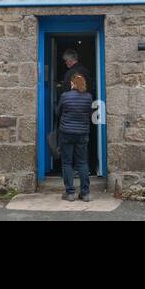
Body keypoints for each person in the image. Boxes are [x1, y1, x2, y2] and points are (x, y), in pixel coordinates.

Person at [57, 73, 93, 201]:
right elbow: (90, 114)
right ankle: (85, 193)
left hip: (66, 133)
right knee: (82, 162)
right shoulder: (88, 97)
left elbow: (58, 112)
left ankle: (70, 193)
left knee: (67, 162)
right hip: (82, 134)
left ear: (72, 83)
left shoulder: (65, 96)